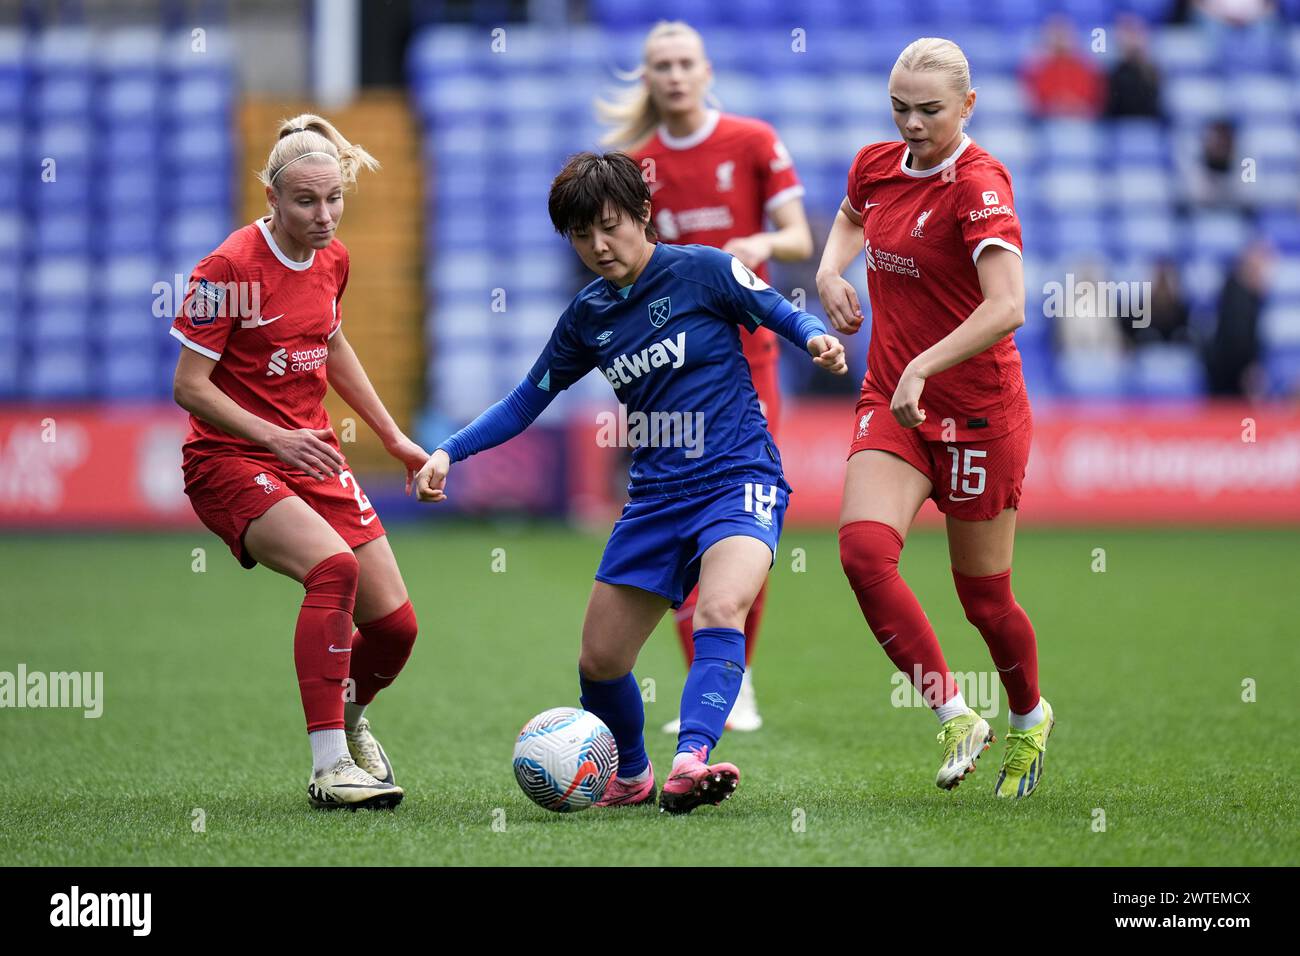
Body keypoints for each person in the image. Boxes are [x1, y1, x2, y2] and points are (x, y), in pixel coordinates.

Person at [414, 152, 845, 813]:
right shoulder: (588, 316)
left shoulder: (702, 270)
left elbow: (778, 310)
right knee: (600, 662)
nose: (597, 245)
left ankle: (692, 758)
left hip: (738, 477)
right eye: (581, 235)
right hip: (655, 500)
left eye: (609, 226)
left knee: (719, 609)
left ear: (643, 214)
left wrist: (815, 337)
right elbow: (526, 399)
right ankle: (635, 774)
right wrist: (449, 451)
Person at [816, 38, 1053, 798]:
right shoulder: (876, 163)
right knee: (861, 553)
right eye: (899, 108)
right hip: (894, 401)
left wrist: (926, 362)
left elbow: (1008, 305)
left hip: (979, 414)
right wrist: (828, 269)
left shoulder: (979, 184)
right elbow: (854, 216)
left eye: (930, 110)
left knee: (985, 601)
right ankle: (956, 713)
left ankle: (1027, 716)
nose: (911, 124)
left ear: (969, 107)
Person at [170, 114, 428, 810]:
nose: (324, 215)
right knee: (333, 568)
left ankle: (347, 713)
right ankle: (330, 766)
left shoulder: (334, 258)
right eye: (306, 201)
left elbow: (332, 345)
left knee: (396, 628)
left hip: (309, 453)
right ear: (271, 199)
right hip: (230, 459)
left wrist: (395, 437)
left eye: (334, 198)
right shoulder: (227, 269)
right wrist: (274, 438)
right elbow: (188, 387)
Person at [598, 20, 815, 734]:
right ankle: (708, 675)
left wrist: (760, 241)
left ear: (706, 68)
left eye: (685, 61)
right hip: (669, 372)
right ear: (647, 75)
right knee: (673, 522)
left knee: (740, 520)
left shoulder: (751, 140)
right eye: (661, 64)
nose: (674, 75)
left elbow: (800, 236)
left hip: (747, 365)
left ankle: (737, 676)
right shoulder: (639, 163)